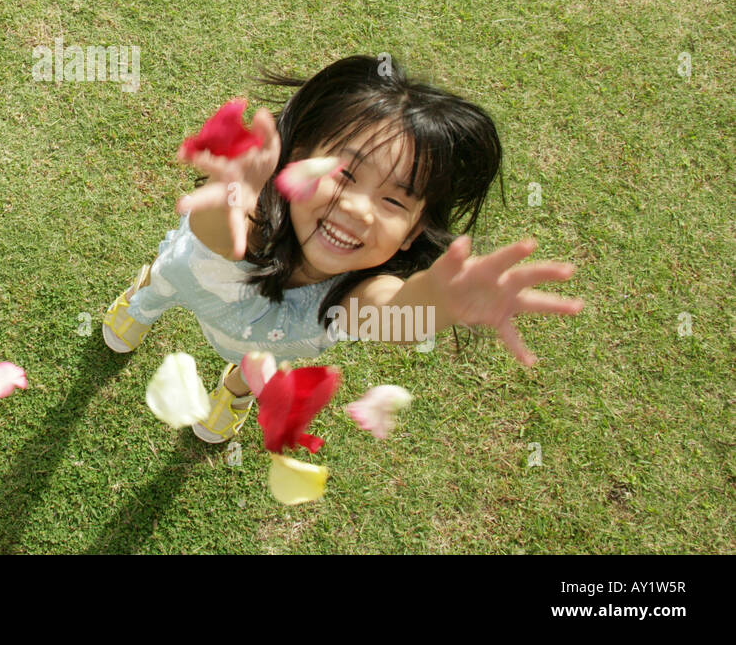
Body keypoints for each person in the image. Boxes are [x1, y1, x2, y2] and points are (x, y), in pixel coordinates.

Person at [102, 54, 582, 442]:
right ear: (294, 163)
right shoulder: (249, 216)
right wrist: (231, 193)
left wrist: (436, 306)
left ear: (413, 233)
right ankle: (140, 302)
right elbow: (218, 234)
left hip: (261, 345)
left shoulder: (361, 292)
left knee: (257, 365)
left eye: (394, 199)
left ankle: (237, 389)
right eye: (343, 174)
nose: (358, 208)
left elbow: (393, 315)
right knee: (162, 286)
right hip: (190, 281)